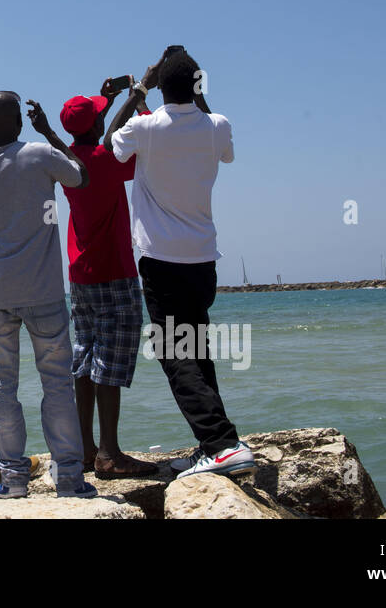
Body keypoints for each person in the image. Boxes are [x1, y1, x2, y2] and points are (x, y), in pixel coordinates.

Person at [110, 50, 254, 478]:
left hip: (161, 260)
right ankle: (213, 444)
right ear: (199, 86)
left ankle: (222, 444)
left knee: (177, 355)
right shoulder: (217, 126)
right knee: (197, 351)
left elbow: (109, 143)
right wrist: (198, 95)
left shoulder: (144, 127)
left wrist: (138, 89)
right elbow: (223, 147)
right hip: (203, 259)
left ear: (159, 87)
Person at [0, 91, 97, 499]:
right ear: (19, 122)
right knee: (58, 385)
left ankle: (13, 479)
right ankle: (68, 476)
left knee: (2, 386)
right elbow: (81, 175)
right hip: (44, 291)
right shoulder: (40, 154)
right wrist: (48, 131)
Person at [58, 76, 159, 477]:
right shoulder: (109, 159)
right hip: (115, 271)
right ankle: (109, 453)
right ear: (99, 127)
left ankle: (85, 449)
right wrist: (139, 102)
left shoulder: (67, 159)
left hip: (80, 275)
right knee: (110, 363)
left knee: (84, 358)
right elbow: (147, 138)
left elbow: (99, 133)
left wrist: (111, 102)